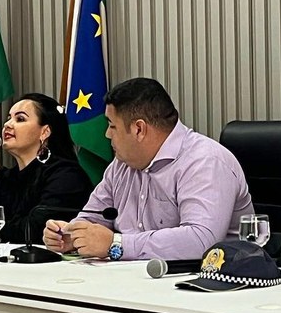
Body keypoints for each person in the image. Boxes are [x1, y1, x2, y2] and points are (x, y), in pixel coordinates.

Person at [42, 78, 254, 261]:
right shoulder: (122, 165)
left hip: (210, 285)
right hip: (138, 280)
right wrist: (72, 234)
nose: (107, 134)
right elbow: (93, 216)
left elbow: (201, 241)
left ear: (139, 129)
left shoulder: (205, 161)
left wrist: (117, 244)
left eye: (112, 126)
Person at [0, 93, 93, 243]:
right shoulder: (3, 178)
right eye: (8, 119)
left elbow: (37, 230)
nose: (7, 125)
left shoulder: (66, 175)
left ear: (45, 132)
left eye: (20, 119)